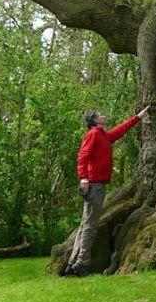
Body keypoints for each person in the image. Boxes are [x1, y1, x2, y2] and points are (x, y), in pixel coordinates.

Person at [63, 106, 150, 277]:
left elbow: (120, 130)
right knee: (90, 226)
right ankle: (82, 263)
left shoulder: (103, 136)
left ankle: (73, 263)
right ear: (95, 121)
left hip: (97, 184)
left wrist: (138, 117)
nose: (103, 116)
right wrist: (84, 178)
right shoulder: (94, 134)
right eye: (100, 115)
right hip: (94, 185)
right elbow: (83, 156)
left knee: (85, 225)